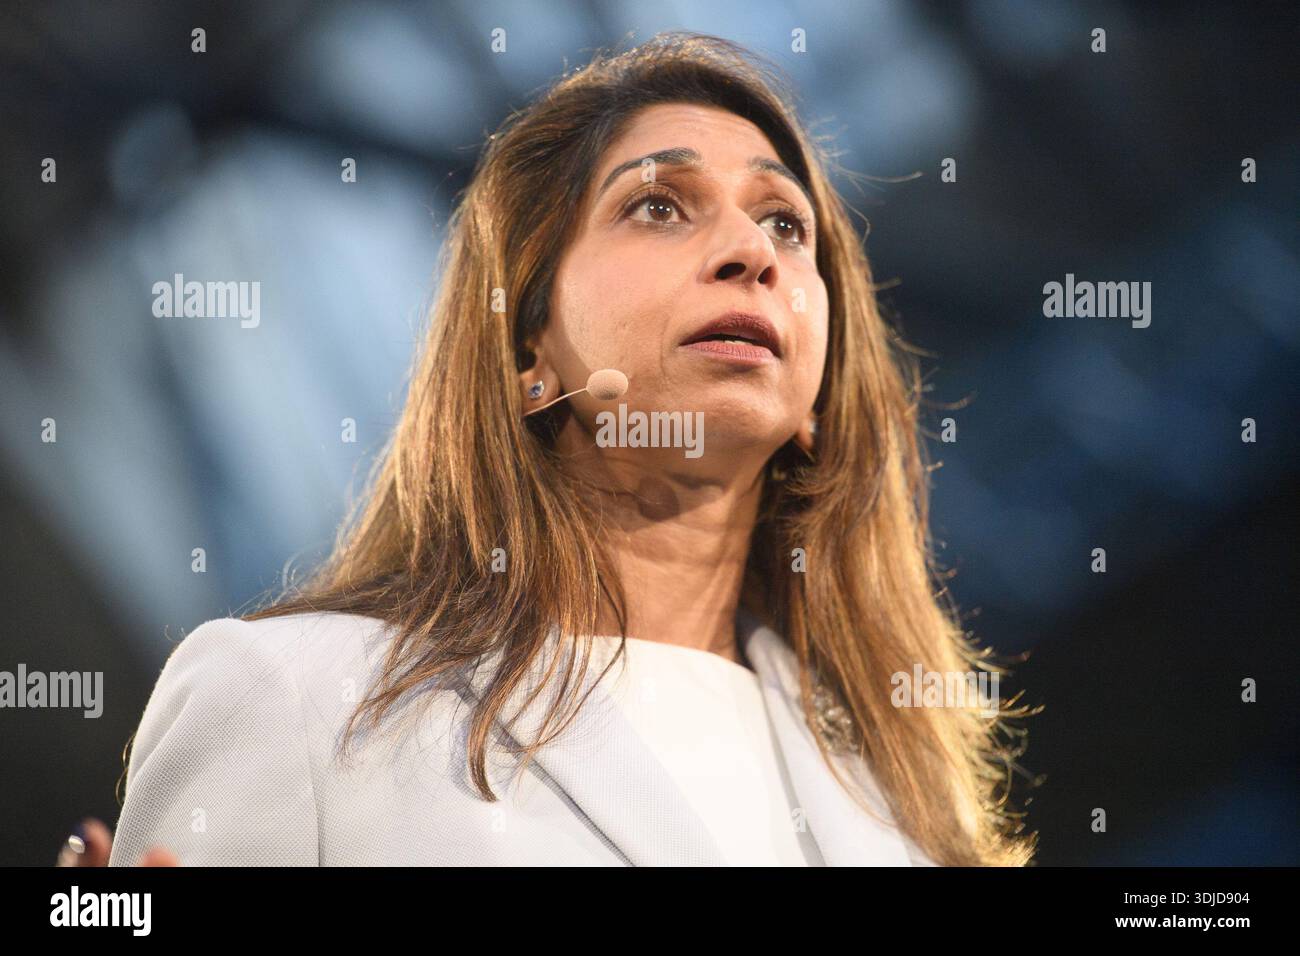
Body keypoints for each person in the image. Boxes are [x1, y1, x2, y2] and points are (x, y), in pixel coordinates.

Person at [69, 31, 1035, 868]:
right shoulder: (295, 697)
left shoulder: (896, 788)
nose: (754, 249)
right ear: (528, 352)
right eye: (659, 205)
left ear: (818, 395)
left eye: (786, 221)